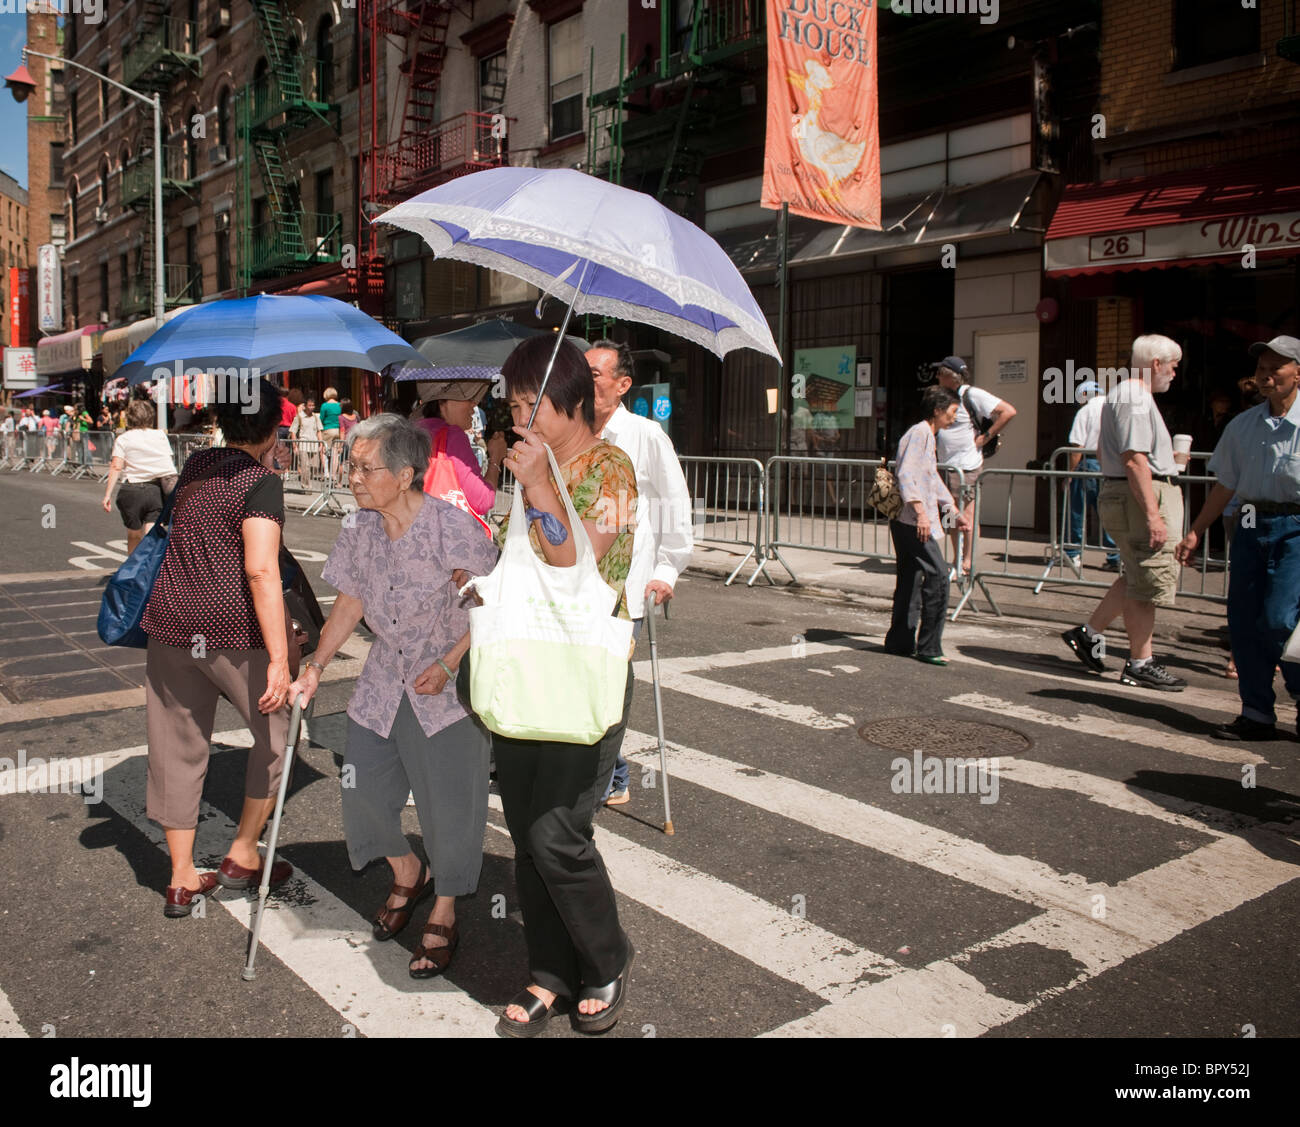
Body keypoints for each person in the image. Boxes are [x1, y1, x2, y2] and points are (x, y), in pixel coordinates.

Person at [287, 414, 500, 974]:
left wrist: (450, 664)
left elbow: (491, 608)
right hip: (383, 681)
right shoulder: (358, 528)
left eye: (365, 467)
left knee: (448, 805)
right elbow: (351, 601)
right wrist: (315, 666)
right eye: (350, 465)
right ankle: (409, 872)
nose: (353, 476)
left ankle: (446, 908)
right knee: (363, 795)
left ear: (405, 474)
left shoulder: (454, 529)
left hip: (445, 686)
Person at [488, 334, 637, 1037]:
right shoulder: (529, 467)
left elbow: (578, 562)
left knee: (559, 833)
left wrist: (542, 485)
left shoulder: (612, 468)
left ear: (573, 398)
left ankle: (605, 958)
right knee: (524, 831)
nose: (520, 417)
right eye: (513, 404)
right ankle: (549, 970)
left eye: (530, 403)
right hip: (525, 664)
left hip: (584, 671)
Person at [139, 379, 296, 917]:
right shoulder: (260, 482)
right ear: (273, 427)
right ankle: (243, 853)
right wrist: (279, 657)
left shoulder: (195, 468)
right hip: (235, 632)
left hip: (171, 623)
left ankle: (181, 877)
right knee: (277, 733)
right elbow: (260, 569)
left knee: (176, 742)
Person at [1176, 336, 1300, 740]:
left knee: (1281, 621)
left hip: (1296, 529)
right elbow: (1225, 486)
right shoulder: (1242, 425)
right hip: (1249, 525)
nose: (1266, 376)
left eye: (1275, 368)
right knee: (1244, 623)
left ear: (1298, 372)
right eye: (1261, 369)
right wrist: (1195, 531)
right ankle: (1257, 714)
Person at [587, 338, 694, 806]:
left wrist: (667, 571)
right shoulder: (574, 431)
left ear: (622, 384)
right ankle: (606, 769)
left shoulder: (646, 436)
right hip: (578, 579)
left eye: (594, 375)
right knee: (583, 678)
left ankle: (609, 775)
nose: (585, 383)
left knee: (608, 681)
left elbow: (675, 506)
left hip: (626, 586)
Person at [1061, 334, 1187, 691]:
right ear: (1156, 364)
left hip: (1126, 491)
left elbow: (1106, 452)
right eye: (1173, 367)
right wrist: (1152, 512)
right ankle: (1140, 662)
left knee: (1135, 574)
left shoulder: (1121, 395)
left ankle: (1089, 634)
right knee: (1146, 581)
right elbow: (1134, 458)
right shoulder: (1134, 396)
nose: (1174, 375)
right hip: (1141, 496)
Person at [884, 385, 970, 665]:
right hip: (912, 521)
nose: (954, 418)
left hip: (909, 520)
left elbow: (931, 478)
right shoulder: (920, 433)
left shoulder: (926, 435)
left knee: (910, 578)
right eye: (952, 412)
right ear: (937, 410)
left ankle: (900, 641)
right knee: (938, 577)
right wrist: (921, 513)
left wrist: (952, 509)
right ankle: (929, 646)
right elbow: (907, 474)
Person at [934, 355, 1016, 576]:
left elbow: (1008, 411)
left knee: (967, 516)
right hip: (946, 467)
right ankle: (956, 558)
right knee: (950, 516)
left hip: (966, 467)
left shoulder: (972, 395)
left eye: (940, 374)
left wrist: (986, 437)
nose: (937, 378)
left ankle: (968, 561)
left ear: (951, 377)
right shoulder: (945, 397)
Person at [101, 398, 179, 553]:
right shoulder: (160, 435)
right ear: (150, 416)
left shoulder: (123, 439)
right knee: (152, 532)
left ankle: (133, 568)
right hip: (154, 489)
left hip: (132, 489)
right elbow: (167, 460)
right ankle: (150, 568)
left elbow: (116, 466)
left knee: (133, 534)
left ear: (130, 417)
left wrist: (107, 495)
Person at [414, 393, 504, 520]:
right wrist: (496, 457)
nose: (474, 404)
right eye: (467, 397)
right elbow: (483, 500)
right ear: (442, 402)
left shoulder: (414, 430)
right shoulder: (453, 436)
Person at [1064, 380, 1121, 574]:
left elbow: (1077, 447)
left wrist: (1069, 474)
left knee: (1077, 511)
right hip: (1112, 466)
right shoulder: (1115, 408)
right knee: (1108, 513)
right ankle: (1115, 557)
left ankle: (1073, 554)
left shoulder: (1085, 411)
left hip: (1088, 464)